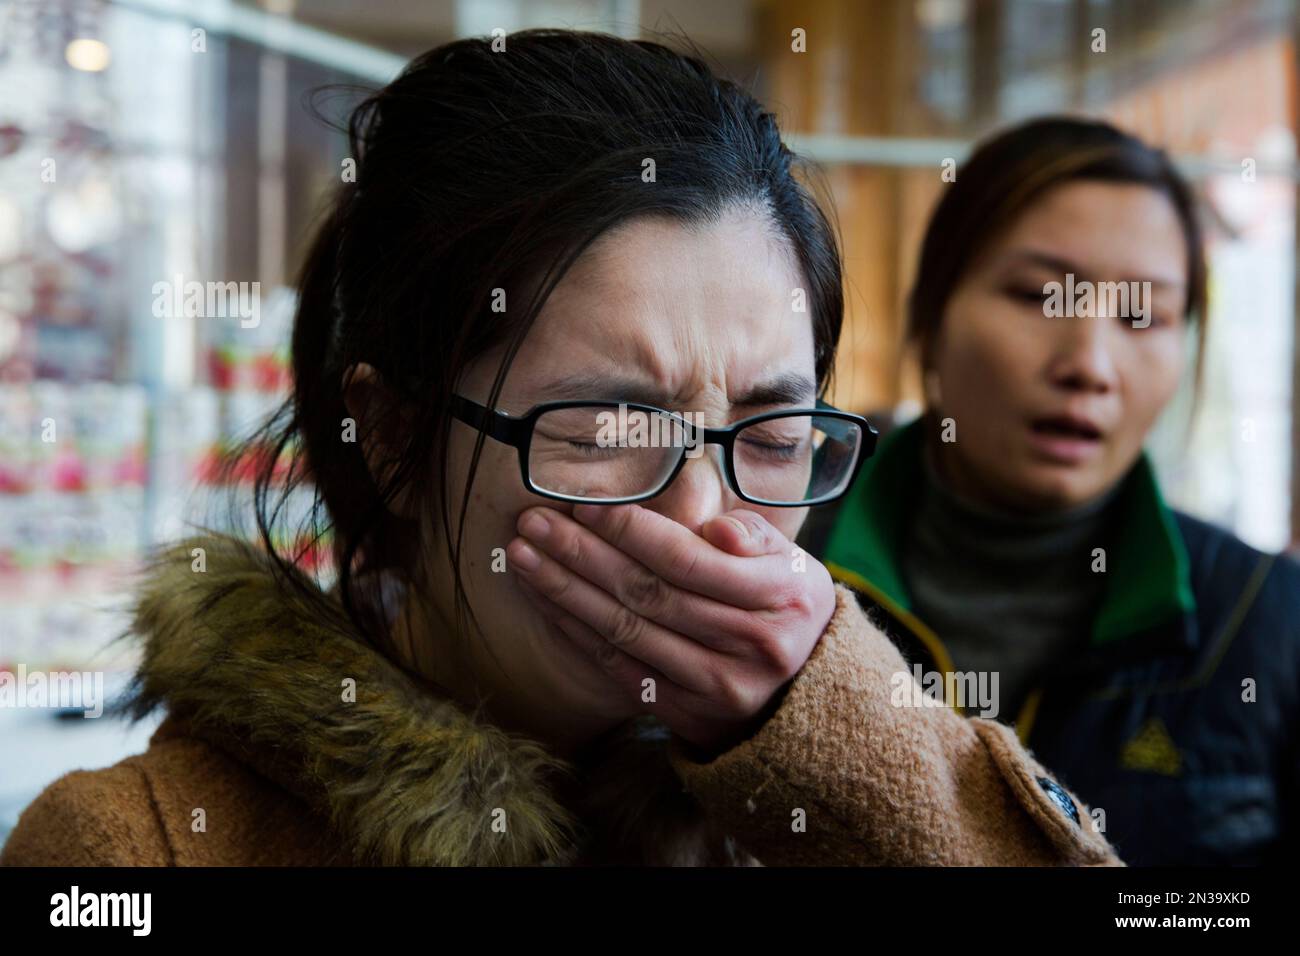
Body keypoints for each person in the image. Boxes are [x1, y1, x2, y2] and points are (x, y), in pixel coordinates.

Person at [1, 33, 1117, 867]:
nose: (701, 516)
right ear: (393, 437)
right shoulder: (135, 850)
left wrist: (843, 750)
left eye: (770, 433)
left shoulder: (809, 814)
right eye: (608, 427)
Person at [798, 116, 1300, 866]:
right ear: (933, 317)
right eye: (1039, 296)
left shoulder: (1267, 623)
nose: (1091, 363)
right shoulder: (787, 556)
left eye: (1141, 315)